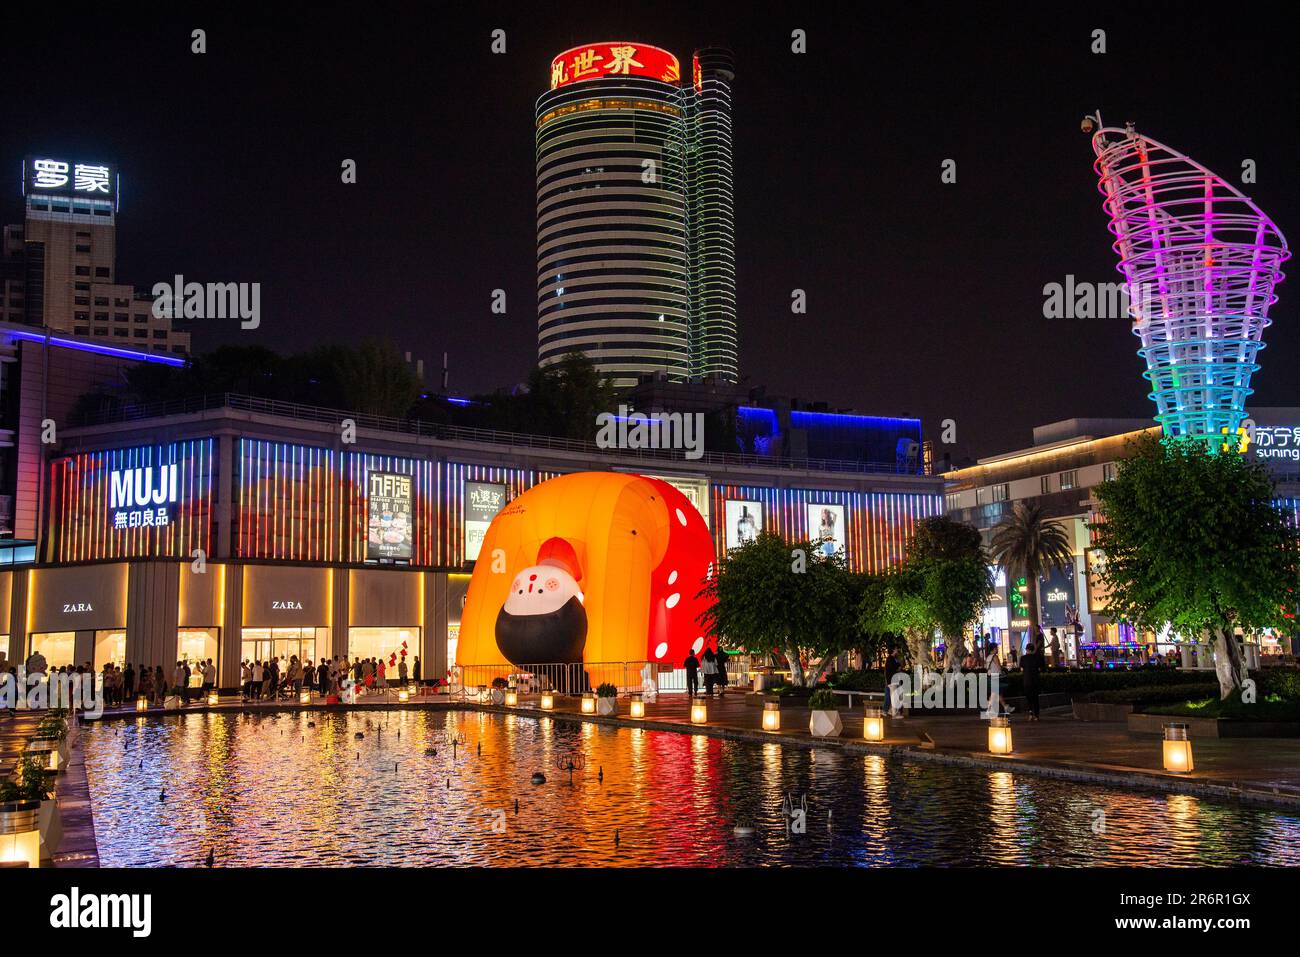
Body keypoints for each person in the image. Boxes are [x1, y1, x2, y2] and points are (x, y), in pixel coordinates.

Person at [1020, 641, 1045, 720]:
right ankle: (1037, 716)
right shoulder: (1038, 657)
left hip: (1027, 681)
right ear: (1033, 650)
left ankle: (1030, 713)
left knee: (1029, 698)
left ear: (1027, 650)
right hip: (1036, 680)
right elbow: (1042, 668)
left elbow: (1021, 669)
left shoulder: (1023, 658)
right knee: (1036, 698)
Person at [884, 649, 903, 717]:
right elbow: (894, 668)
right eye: (896, 650)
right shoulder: (890, 659)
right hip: (892, 681)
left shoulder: (893, 659)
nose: (897, 651)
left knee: (895, 697)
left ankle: (891, 711)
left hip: (894, 680)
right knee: (894, 697)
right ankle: (894, 714)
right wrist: (898, 665)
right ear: (893, 651)